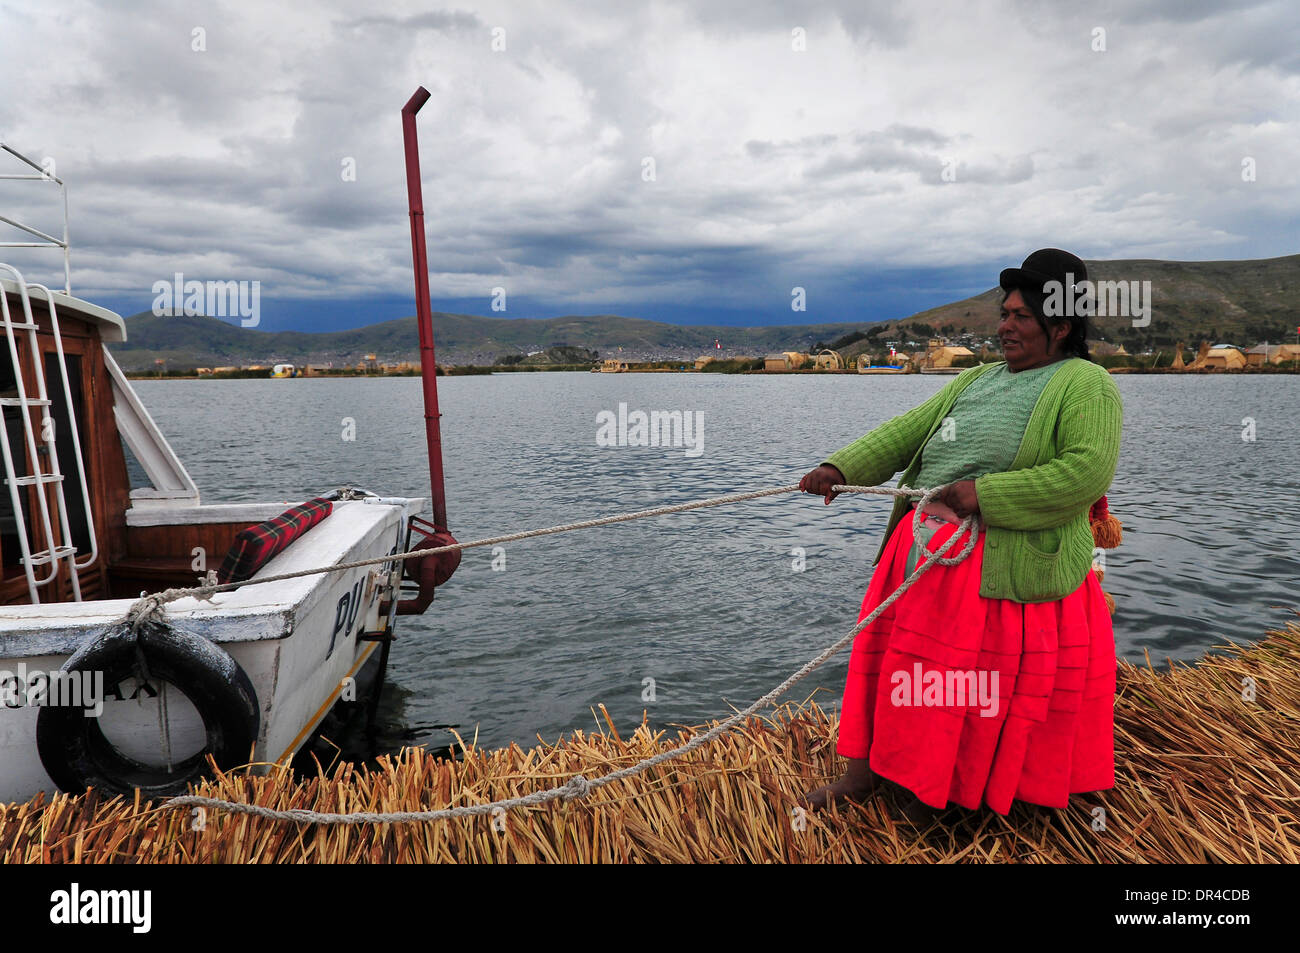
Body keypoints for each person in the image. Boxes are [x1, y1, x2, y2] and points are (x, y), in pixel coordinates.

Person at [799, 248, 1123, 822]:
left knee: (963, 690)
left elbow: (1085, 471)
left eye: (1021, 317)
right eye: (1005, 314)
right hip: (923, 561)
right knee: (896, 671)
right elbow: (906, 433)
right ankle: (866, 770)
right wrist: (841, 469)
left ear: (1061, 326)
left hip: (1006, 570)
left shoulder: (1085, 384)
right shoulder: (975, 380)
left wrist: (983, 495)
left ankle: (952, 792)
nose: (1004, 326)